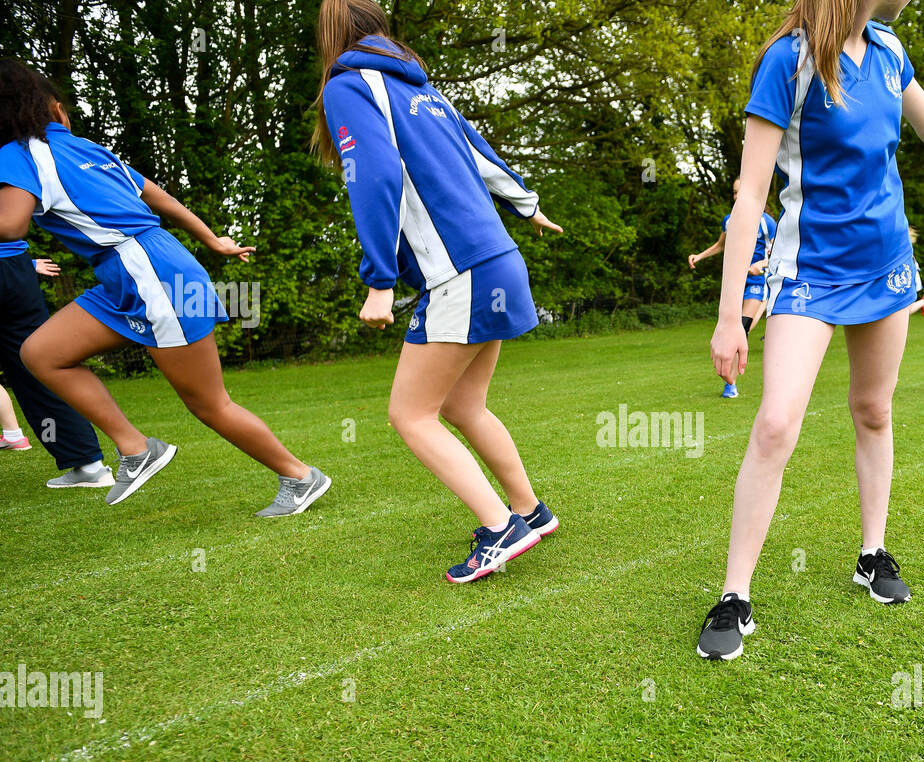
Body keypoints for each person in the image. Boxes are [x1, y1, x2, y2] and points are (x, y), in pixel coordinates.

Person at [697, 0, 924, 660]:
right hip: (809, 269)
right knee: (777, 422)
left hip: (887, 263)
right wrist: (730, 318)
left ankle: (872, 553)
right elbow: (750, 196)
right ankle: (734, 594)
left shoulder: (889, 48)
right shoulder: (790, 61)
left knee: (873, 409)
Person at [0, 60, 330, 513]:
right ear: (56, 109)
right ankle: (136, 449)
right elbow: (159, 196)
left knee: (209, 404)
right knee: (41, 353)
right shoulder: (87, 149)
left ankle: (300, 477)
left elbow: (10, 224)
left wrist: (210, 242)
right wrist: (212, 238)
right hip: (136, 269)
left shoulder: (17, 154)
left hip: (147, 271)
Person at [313, 0, 561, 583]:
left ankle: (502, 528)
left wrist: (377, 281)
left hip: (461, 272)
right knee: (462, 405)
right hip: (497, 259)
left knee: (410, 414)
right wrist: (528, 205)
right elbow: (480, 153)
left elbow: (373, 175)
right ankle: (530, 510)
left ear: (333, 34)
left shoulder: (347, 85)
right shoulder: (424, 90)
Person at [0, 245, 113, 484]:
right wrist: (22, 265)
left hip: (16, 266)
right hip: (17, 270)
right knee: (35, 370)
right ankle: (89, 464)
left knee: (35, 369)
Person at [689, 178, 777, 397]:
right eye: (735, 192)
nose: (737, 196)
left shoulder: (768, 223)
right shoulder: (729, 221)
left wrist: (761, 264)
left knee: (742, 327)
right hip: (737, 282)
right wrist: (699, 256)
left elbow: (779, 253)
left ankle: (731, 384)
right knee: (734, 328)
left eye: (742, 191)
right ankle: (731, 383)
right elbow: (721, 245)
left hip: (759, 279)